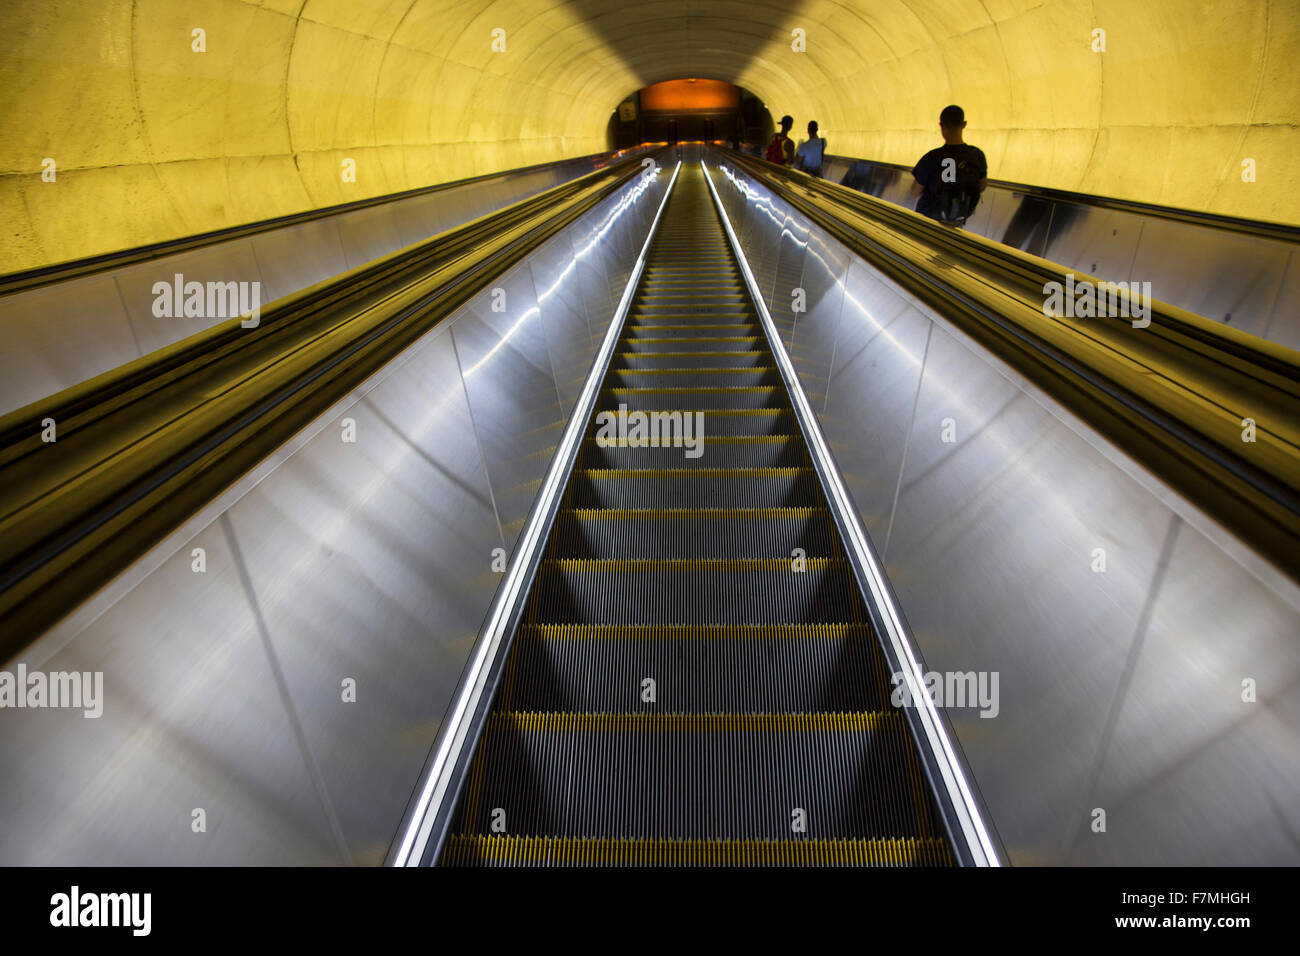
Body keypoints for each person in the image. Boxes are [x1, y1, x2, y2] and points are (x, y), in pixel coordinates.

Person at [910, 105, 988, 225]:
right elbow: (982, 186)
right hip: (957, 221)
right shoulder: (977, 156)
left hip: (928, 221)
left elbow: (914, 193)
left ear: (941, 125)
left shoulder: (932, 157)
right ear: (964, 124)